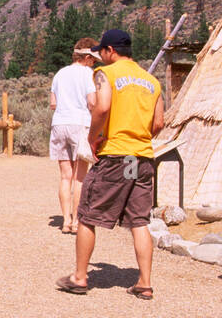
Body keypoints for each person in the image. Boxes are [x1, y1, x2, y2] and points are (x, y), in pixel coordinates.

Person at [56, 29, 164, 299]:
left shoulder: (107, 74)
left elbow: (102, 108)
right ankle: (144, 283)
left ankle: (80, 277)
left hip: (115, 154)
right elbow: (159, 122)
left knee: (88, 215)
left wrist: (93, 139)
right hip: (141, 156)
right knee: (139, 220)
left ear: (110, 51)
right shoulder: (152, 80)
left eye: (102, 52)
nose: (101, 57)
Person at [49, 37, 99, 233]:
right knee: (80, 177)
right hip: (80, 123)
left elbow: (53, 103)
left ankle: (65, 220)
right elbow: (92, 102)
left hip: (60, 123)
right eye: (93, 59)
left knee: (64, 177)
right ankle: (77, 221)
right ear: (86, 57)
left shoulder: (60, 74)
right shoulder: (88, 74)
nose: (94, 63)